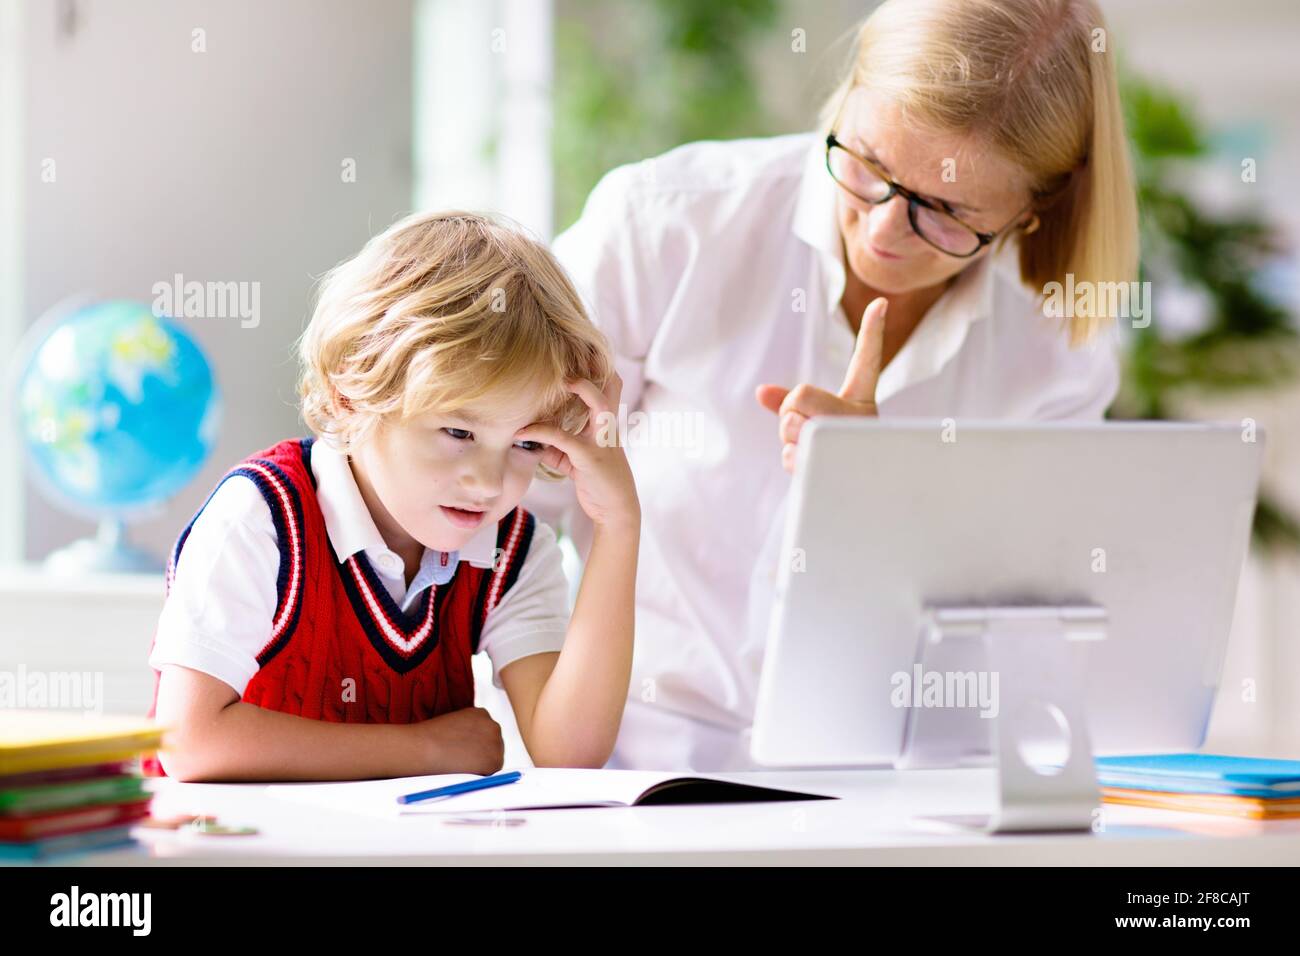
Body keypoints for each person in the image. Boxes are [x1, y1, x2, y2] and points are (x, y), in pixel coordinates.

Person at [524, 0, 1138, 771]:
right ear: (848, 93)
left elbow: (1029, 635)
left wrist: (876, 502)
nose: (881, 232)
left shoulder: (1056, 346)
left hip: (899, 790)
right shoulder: (669, 225)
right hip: (637, 770)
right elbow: (503, 498)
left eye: (945, 213)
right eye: (869, 166)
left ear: (1034, 208)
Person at [143, 211, 640, 781]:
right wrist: (425, 750)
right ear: (351, 397)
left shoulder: (512, 549)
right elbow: (188, 743)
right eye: (458, 433)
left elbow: (570, 752)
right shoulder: (262, 517)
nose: (488, 482)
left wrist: (618, 526)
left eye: (525, 442)